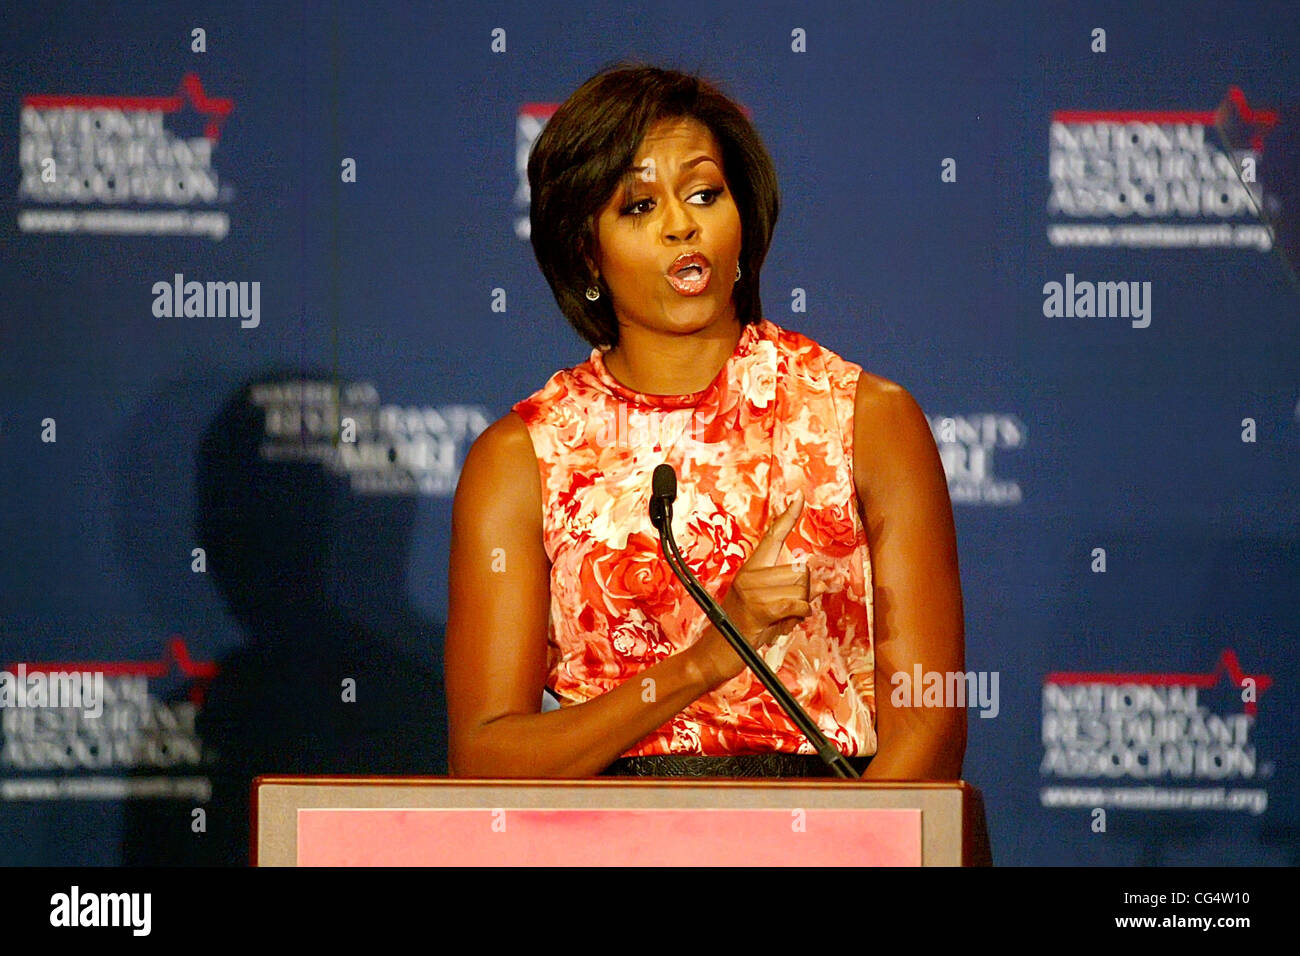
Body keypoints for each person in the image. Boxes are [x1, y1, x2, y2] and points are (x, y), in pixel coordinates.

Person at [446, 62, 965, 779]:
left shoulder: (864, 420)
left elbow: (929, 726)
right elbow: (485, 758)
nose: (681, 225)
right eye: (638, 207)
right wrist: (706, 660)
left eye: (703, 193)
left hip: (829, 837)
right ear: (584, 251)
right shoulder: (522, 458)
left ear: (742, 221)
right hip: (602, 841)